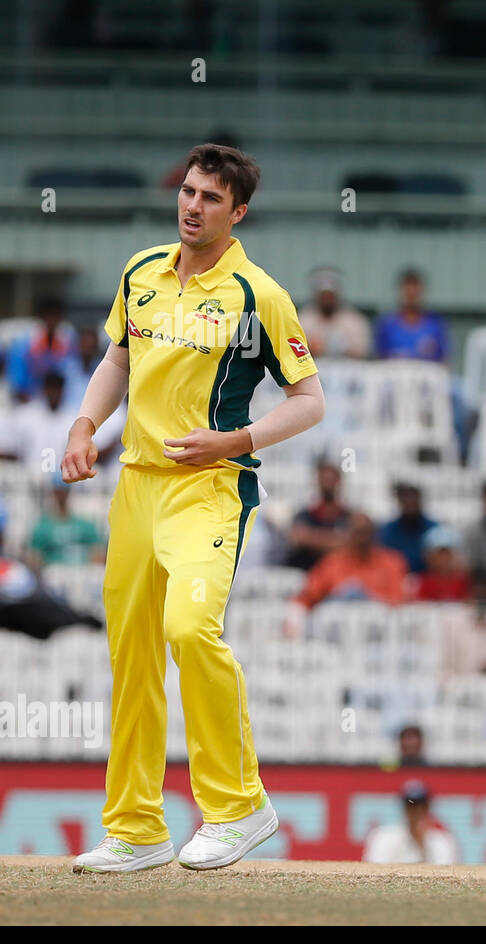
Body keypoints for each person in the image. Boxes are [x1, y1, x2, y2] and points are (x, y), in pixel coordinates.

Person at [62, 143, 326, 873]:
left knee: (188, 626)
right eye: (187, 191)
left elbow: (310, 400)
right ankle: (138, 827)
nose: (192, 206)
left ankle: (239, 804)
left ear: (237, 211)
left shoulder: (256, 295)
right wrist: (86, 423)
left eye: (211, 198)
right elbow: (119, 357)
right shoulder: (141, 272)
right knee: (133, 655)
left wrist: (235, 437)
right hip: (135, 488)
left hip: (209, 487)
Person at [296, 512, 408, 610]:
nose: (362, 538)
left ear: (374, 535)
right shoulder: (332, 563)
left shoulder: (391, 562)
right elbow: (308, 597)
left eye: (366, 532)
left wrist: (370, 600)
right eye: (358, 533)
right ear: (348, 534)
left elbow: (400, 601)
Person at [361, 781, 459, 864]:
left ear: (428, 807)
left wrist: (422, 845)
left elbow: (446, 877)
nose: (417, 811)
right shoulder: (383, 837)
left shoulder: (442, 842)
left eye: (421, 806)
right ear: (404, 808)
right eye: (411, 806)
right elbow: (374, 872)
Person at [4, 296, 75, 403]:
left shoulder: (69, 341)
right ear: (40, 317)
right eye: (48, 316)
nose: (52, 321)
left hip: (60, 404)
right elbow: (16, 383)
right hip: (30, 403)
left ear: (61, 318)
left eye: (55, 316)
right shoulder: (23, 345)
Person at [285, 459, 351, 570]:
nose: (327, 483)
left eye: (331, 479)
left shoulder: (348, 516)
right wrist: (335, 540)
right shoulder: (304, 515)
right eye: (324, 479)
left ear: (338, 481)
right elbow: (298, 538)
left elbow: (351, 543)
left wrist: (311, 537)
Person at [373, 268, 450, 362]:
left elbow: (445, 360)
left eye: (415, 290)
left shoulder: (436, 325)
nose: (411, 294)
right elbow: (379, 361)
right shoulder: (387, 326)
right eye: (407, 290)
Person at [28, 477, 105, 568]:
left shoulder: (85, 525)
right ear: (52, 492)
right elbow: (34, 557)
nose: (61, 495)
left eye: (64, 491)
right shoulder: (42, 527)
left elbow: (98, 552)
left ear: (69, 492)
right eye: (58, 491)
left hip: (83, 571)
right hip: (54, 572)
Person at [297, 266, 372, 359]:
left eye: (330, 296)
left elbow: (364, 351)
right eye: (323, 296)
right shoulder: (302, 319)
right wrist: (310, 349)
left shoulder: (354, 320)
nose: (327, 300)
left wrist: (344, 349)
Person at [378, 481, 439, 574]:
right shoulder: (388, 530)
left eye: (413, 500)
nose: (410, 504)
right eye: (406, 501)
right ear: (400, 502)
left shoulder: (434, 530)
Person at [411, 525, 471, 602]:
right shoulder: (420, 582)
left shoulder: (464, 582)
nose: (443, 560)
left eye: (447, 555)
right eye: (439, 555)